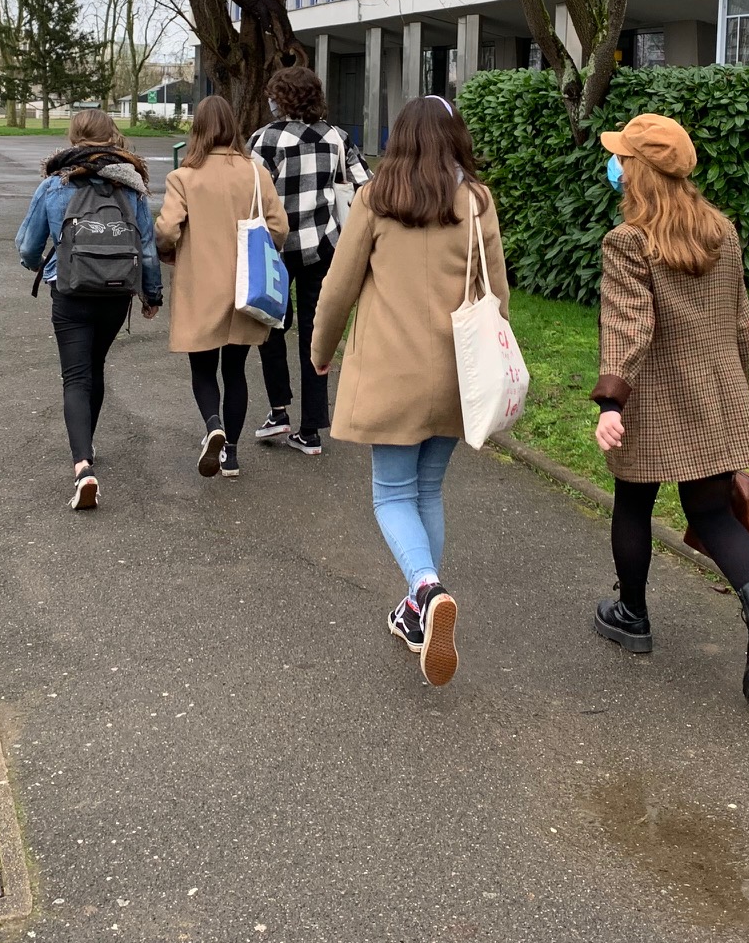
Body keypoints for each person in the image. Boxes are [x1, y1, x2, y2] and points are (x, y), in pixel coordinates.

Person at [589, 112, 749, 706]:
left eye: (622, 157)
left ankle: (632, 614)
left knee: (634, 500)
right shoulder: (722, 232)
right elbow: (741, 320)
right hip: (716, 391)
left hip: (652, 396)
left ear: (637, 171)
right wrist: (743, 392)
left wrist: (610, 399)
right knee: (711, 511)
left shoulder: (627, 242)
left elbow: (631, 325)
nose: (616, 165)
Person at [310, 96, 505, 689]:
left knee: (391, 494)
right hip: (455, 374)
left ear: (399, 138)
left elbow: (338, 286)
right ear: (454, 137)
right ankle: (420, 611)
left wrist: (320, 353)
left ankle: (425, 588)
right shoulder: (476, 201)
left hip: (389, 375)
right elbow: (497, 288)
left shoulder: (377, 198)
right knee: (428, 489)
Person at [16, 110, 163, 511]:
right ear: (111, 138)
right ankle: (88, 445)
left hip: (70, 290)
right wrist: (152, 295)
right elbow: (146, 247)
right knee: (94, 365)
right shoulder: (131, 184)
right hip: (116, 293)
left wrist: (37, 265)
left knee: (75, 375)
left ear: (74, 137)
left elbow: (29, 245)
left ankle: (83, 464)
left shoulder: (54, 183)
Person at [154, 95, 288, 481]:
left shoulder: (184, 176)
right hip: (247, 286)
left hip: (201, 286)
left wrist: (169, 251)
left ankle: (212, 423)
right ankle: (230, 453)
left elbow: (166, 229)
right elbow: (279, 228)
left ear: (197, 129)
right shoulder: (254, 172)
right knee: (236, 371)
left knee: (203, 369)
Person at [246, 65, 371, 455]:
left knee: (270, 326)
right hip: (324, 248)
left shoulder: (265, 140)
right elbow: (365, 185)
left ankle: (279, 410)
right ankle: (312, 429)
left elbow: (249, 195)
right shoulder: (338, 137)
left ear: (281, 99)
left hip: (275, 249)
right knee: (317, 337)